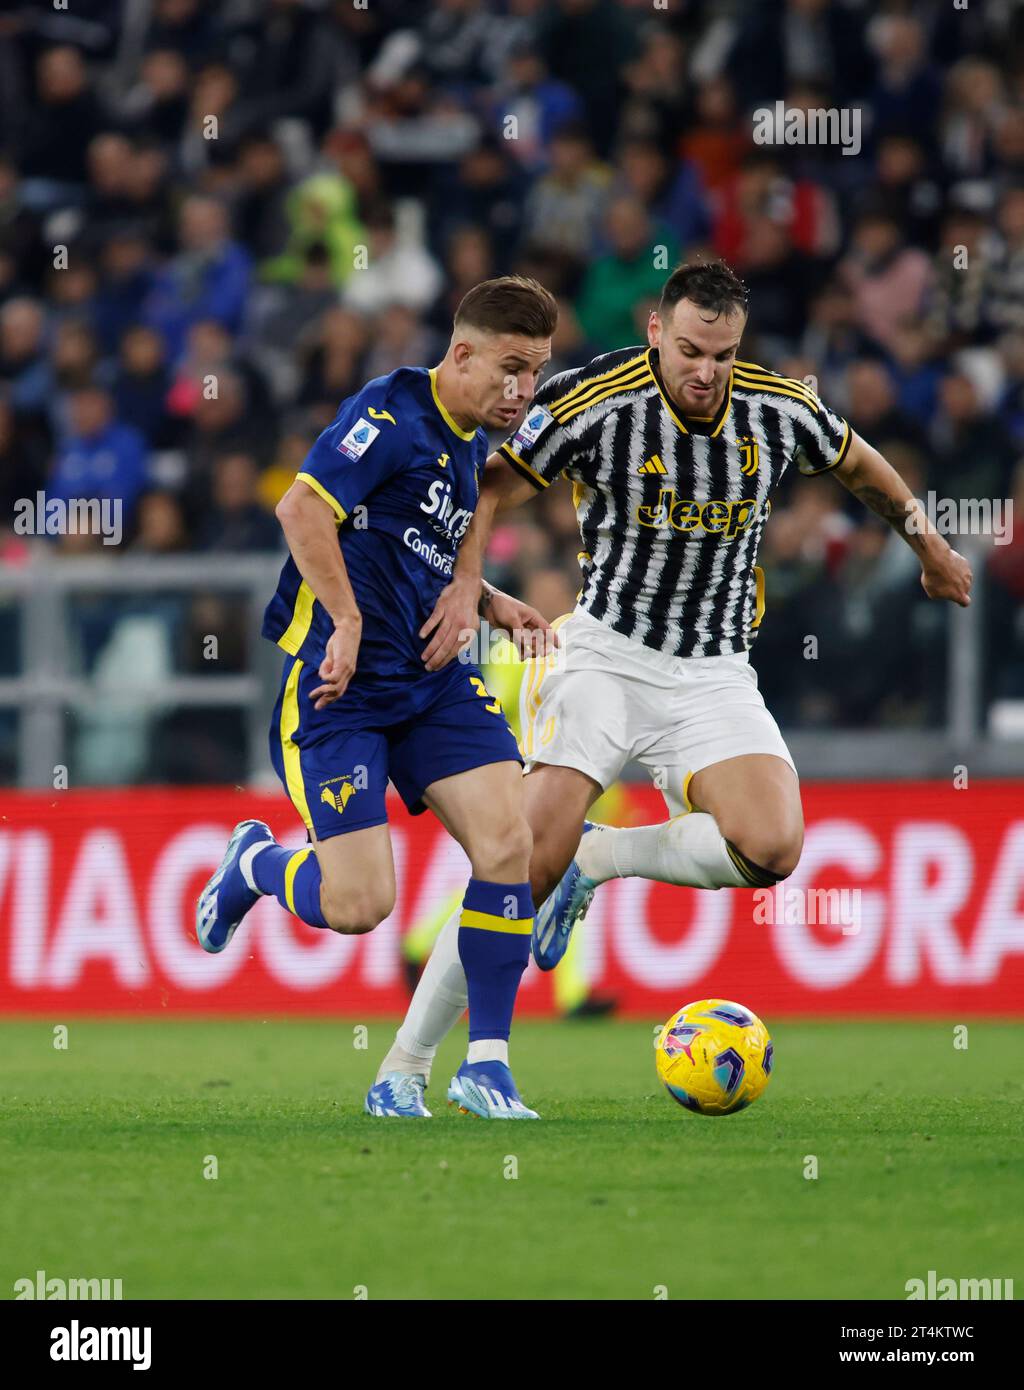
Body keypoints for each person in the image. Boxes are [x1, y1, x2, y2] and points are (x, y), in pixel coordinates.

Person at [370, 259, 972, 1108]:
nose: (706, 371)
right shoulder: (596, 399)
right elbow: (492, 482)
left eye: (723, 355)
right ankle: (405, 1064)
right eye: (691, 349)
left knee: (772, 848)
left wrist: (928, 543)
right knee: (522, 864)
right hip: (605, 655)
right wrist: (469, 583)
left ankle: (602, 858)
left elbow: (859, 463)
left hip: (715, 672)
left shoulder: (778, 407)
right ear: (657, 332)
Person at [195, 276, 558, 1120]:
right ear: (460, 354)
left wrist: (486, 594)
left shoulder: (472, 440)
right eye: (510, 369)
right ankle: (256, 865)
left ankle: (488, 1066)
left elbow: (420, 539)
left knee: (510, 843)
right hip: (342, 687)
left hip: (433, 681)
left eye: (535, 373)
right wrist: (348, 617)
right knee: (362, 905)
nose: (523, 392)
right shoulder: (390, 415)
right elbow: (300, 509)